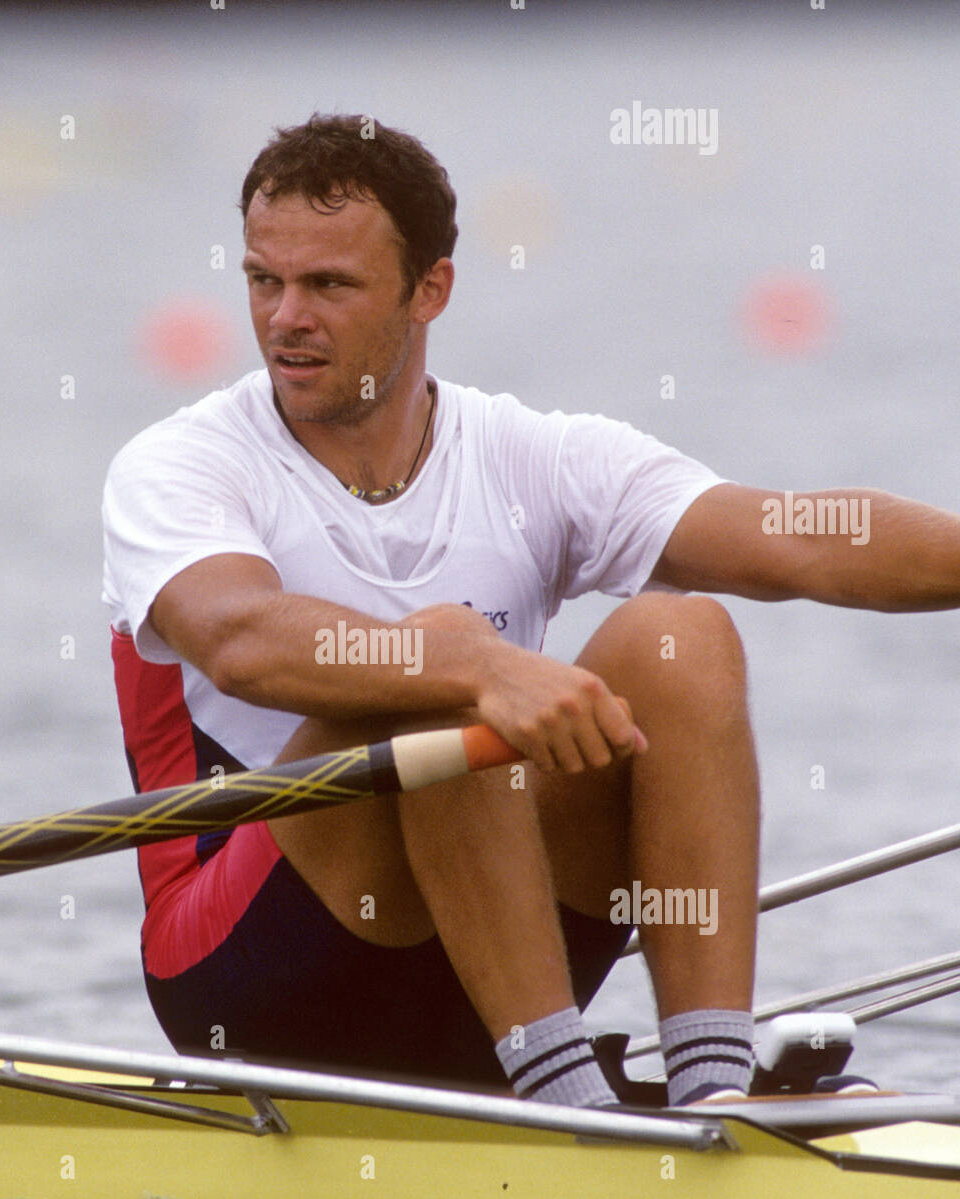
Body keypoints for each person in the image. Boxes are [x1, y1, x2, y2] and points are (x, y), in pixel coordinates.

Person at [102, 114, 960, 1109]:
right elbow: (236, 638)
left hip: (491, 940)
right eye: (263, 281)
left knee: (680, 635)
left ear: (431, 289)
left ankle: (712, 1086)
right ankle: (562, 1094)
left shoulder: (528, 455)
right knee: (443, 665)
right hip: (252, 967)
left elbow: (796, 533)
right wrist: (479, 667)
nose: (285, 316)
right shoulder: (181, 465)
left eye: (328, 285)